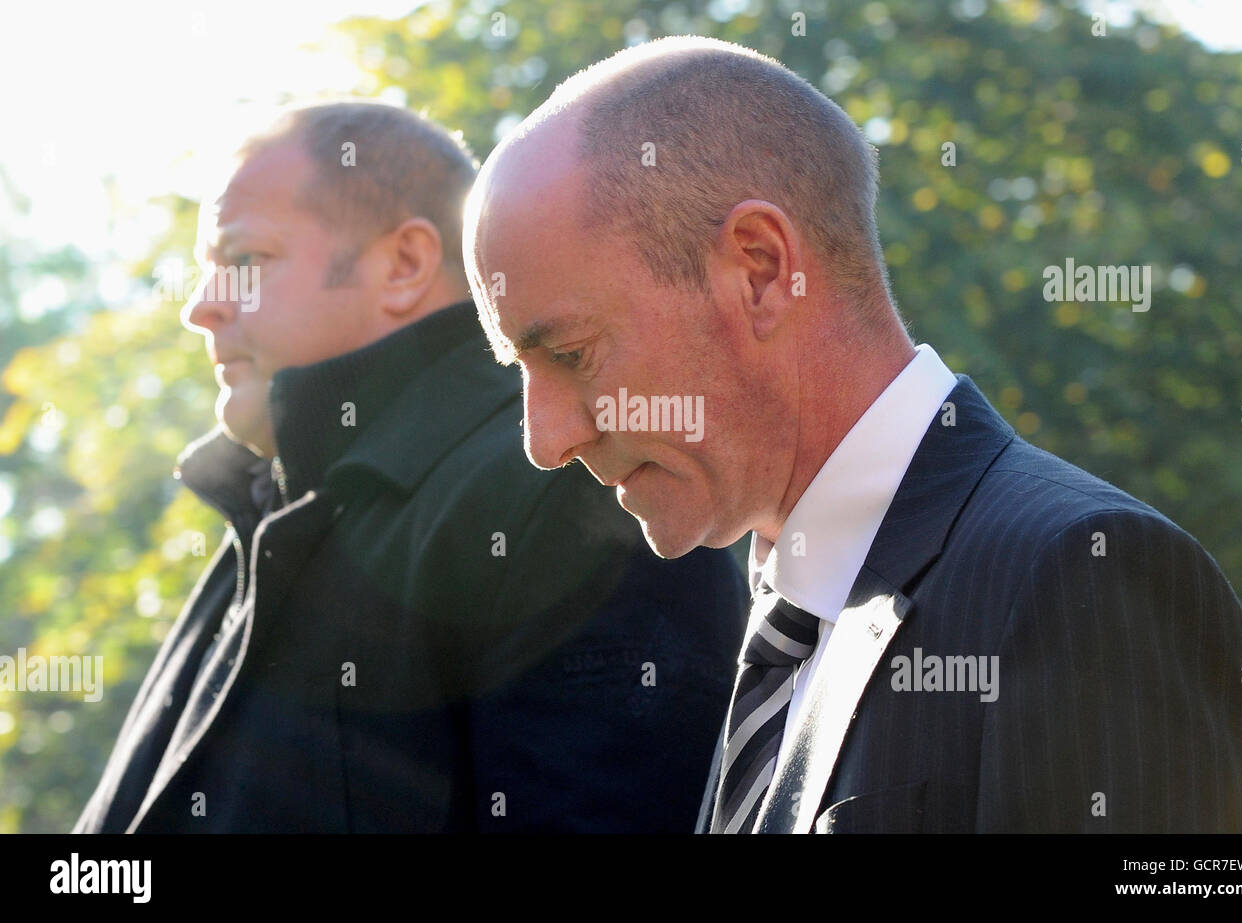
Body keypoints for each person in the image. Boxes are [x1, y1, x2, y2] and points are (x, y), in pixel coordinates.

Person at [462, 37, 1242, 833]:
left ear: (758, 269)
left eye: (570, 353)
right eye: (519, 369)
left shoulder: (1087, 581)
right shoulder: (783, 624)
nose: (546, 439)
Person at [74, 101, 747, 833]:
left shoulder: (564, 488)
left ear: (404, 265)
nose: (201, 307)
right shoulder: (271, 519)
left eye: (243, 261)